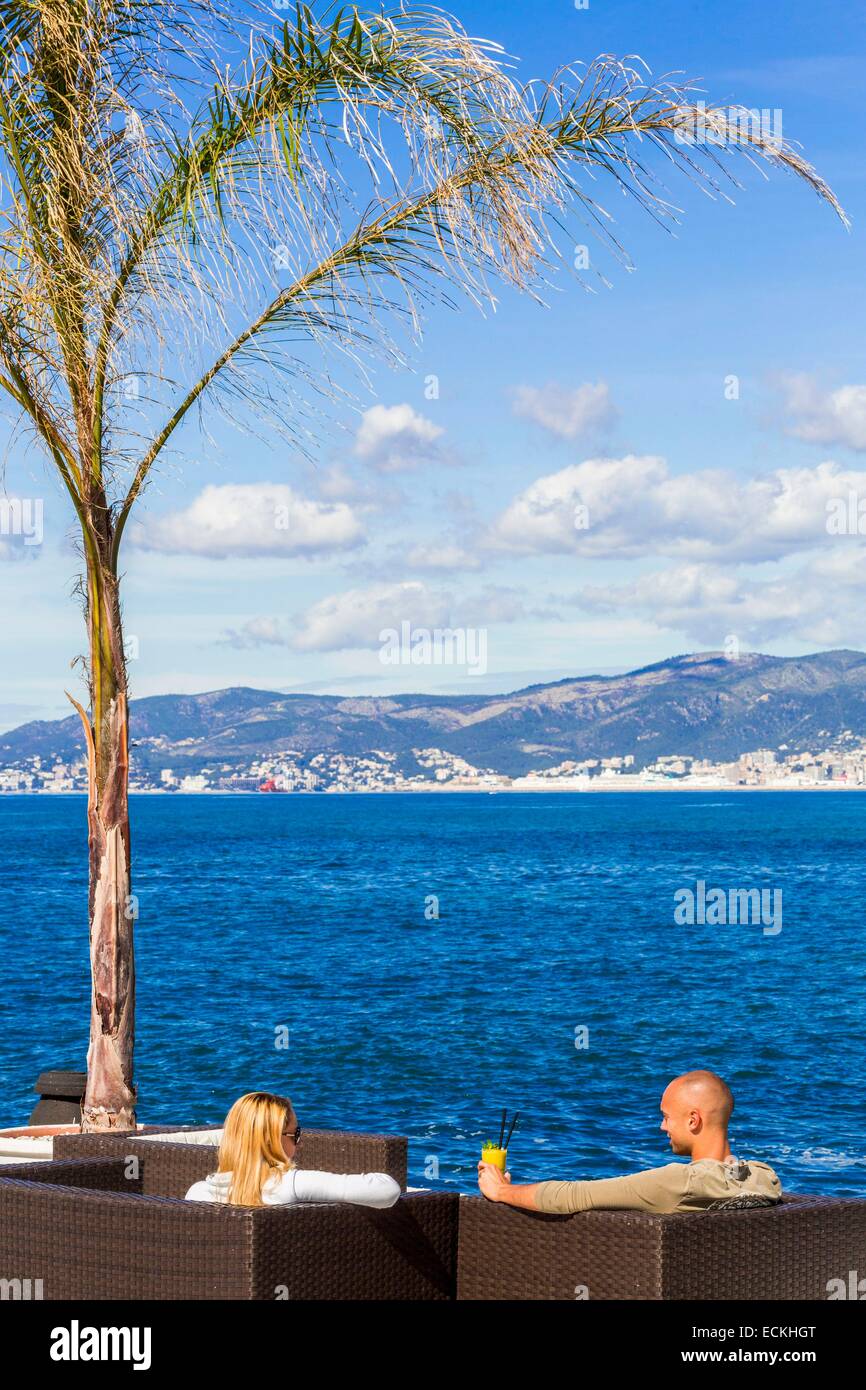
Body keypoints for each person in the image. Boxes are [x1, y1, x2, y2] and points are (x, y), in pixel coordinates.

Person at [477, 1070, 781, 1214]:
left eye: (666, 1117)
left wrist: (502, 1190)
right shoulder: (763, 1178)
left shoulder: (679, 1182)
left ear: (693, 1120)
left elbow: (572, 1196)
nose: (662, 1126)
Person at [185, 1091, 401, 1208]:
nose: (300, 1142)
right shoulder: (291, 1184)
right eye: (295, 1133)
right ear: (271, 1140)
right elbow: (388, 1191)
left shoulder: (198, 1193)